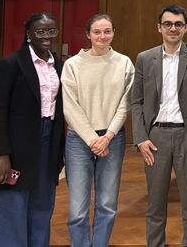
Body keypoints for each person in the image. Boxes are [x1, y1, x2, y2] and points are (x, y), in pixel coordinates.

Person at [131, 5, 187, 247]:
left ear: (186, 27)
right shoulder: (145, 58)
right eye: (168, 24)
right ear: (159, 27)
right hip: (155, 137)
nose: (173, 28)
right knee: (155, 201)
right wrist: (140, 137)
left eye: (178, 24)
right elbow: (136, 101)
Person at [0, 12, 66, 247]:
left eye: (51, 31)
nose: (47, 36)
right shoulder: (9, 64)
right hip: (16, 145)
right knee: (14, 207)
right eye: (40, 31)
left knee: (42, 206)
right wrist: (2, 154)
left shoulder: (59, 67)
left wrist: (58, 150)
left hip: (48, 139)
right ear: (28, 34)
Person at [61, 14, 135, 247]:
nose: (102, 36)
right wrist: (94, 139)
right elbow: (69, 106)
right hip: (79, 139)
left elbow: (126, 103)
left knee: (107, 204)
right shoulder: (73, 65)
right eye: (97, 31)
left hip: (112, 137)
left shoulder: (124, 63)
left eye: (107, 31)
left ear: (113, 32)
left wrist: (108, 136)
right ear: (88, 34)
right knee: (77, 209)